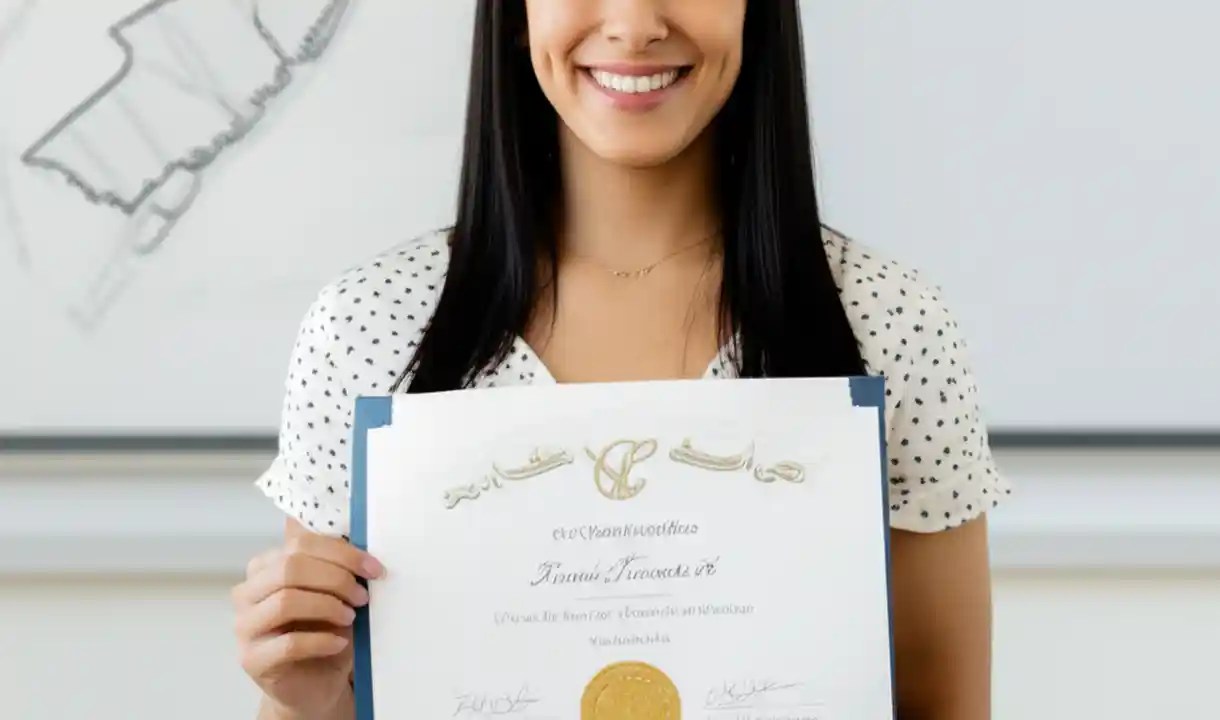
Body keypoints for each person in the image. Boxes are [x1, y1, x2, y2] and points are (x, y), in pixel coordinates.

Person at [231, 1, 1011, 718]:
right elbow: (329, 692)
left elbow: (943, 703)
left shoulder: (889, 321)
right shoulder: (370, 328)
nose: (634, 24)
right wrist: (305, 695)